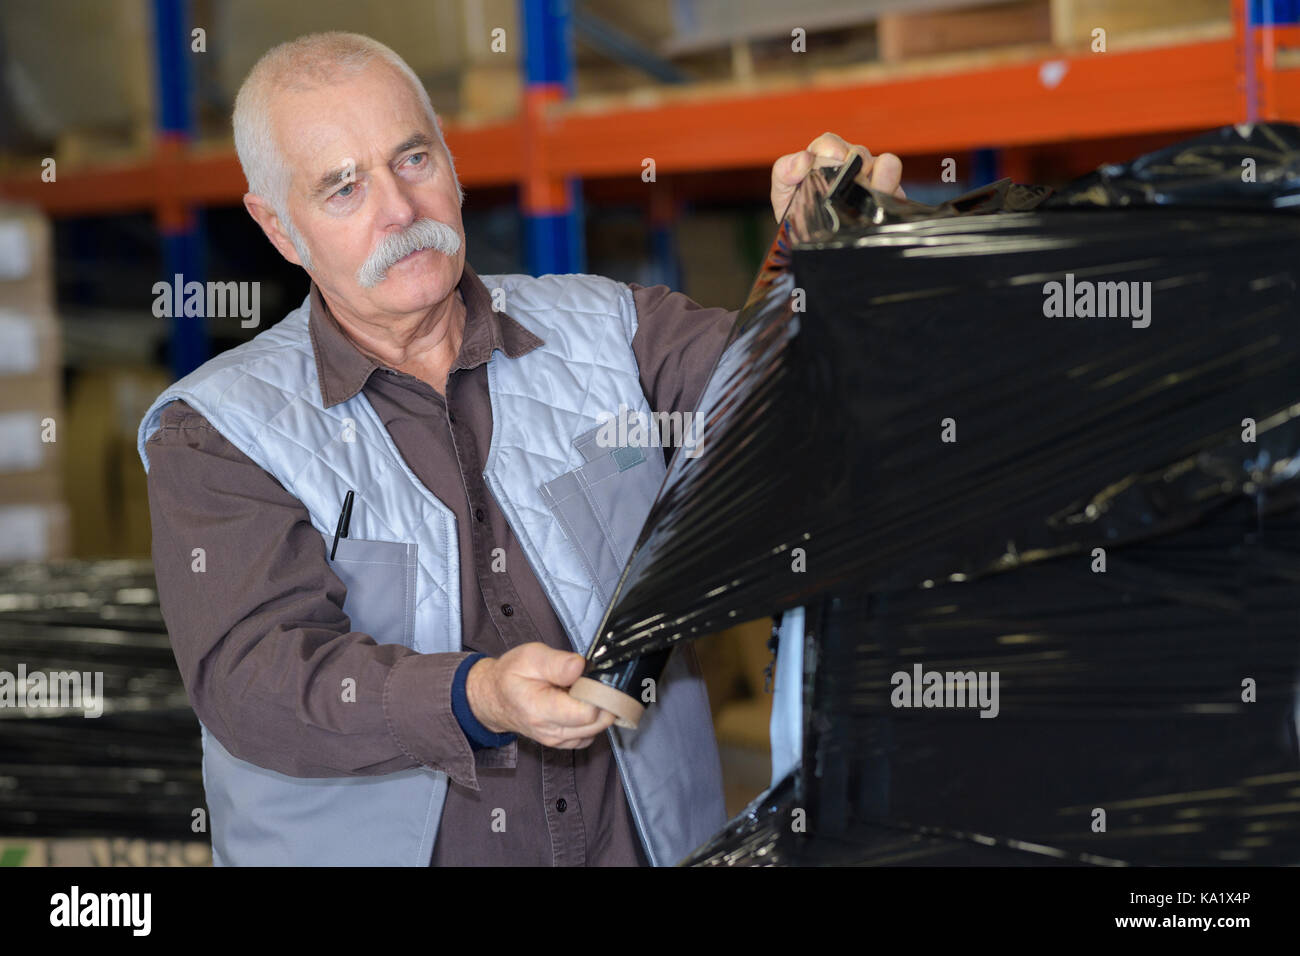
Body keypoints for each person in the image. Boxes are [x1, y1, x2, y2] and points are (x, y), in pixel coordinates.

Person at [136, 31, 905, 866]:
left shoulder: (614, 331)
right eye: (343, 187)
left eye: (413, 159)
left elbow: (796, 418)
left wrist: (831, 263)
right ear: (279, 226)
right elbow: (257, 679)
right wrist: (477, 694)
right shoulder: (219, 428)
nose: (398, 209)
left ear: (453, 164)